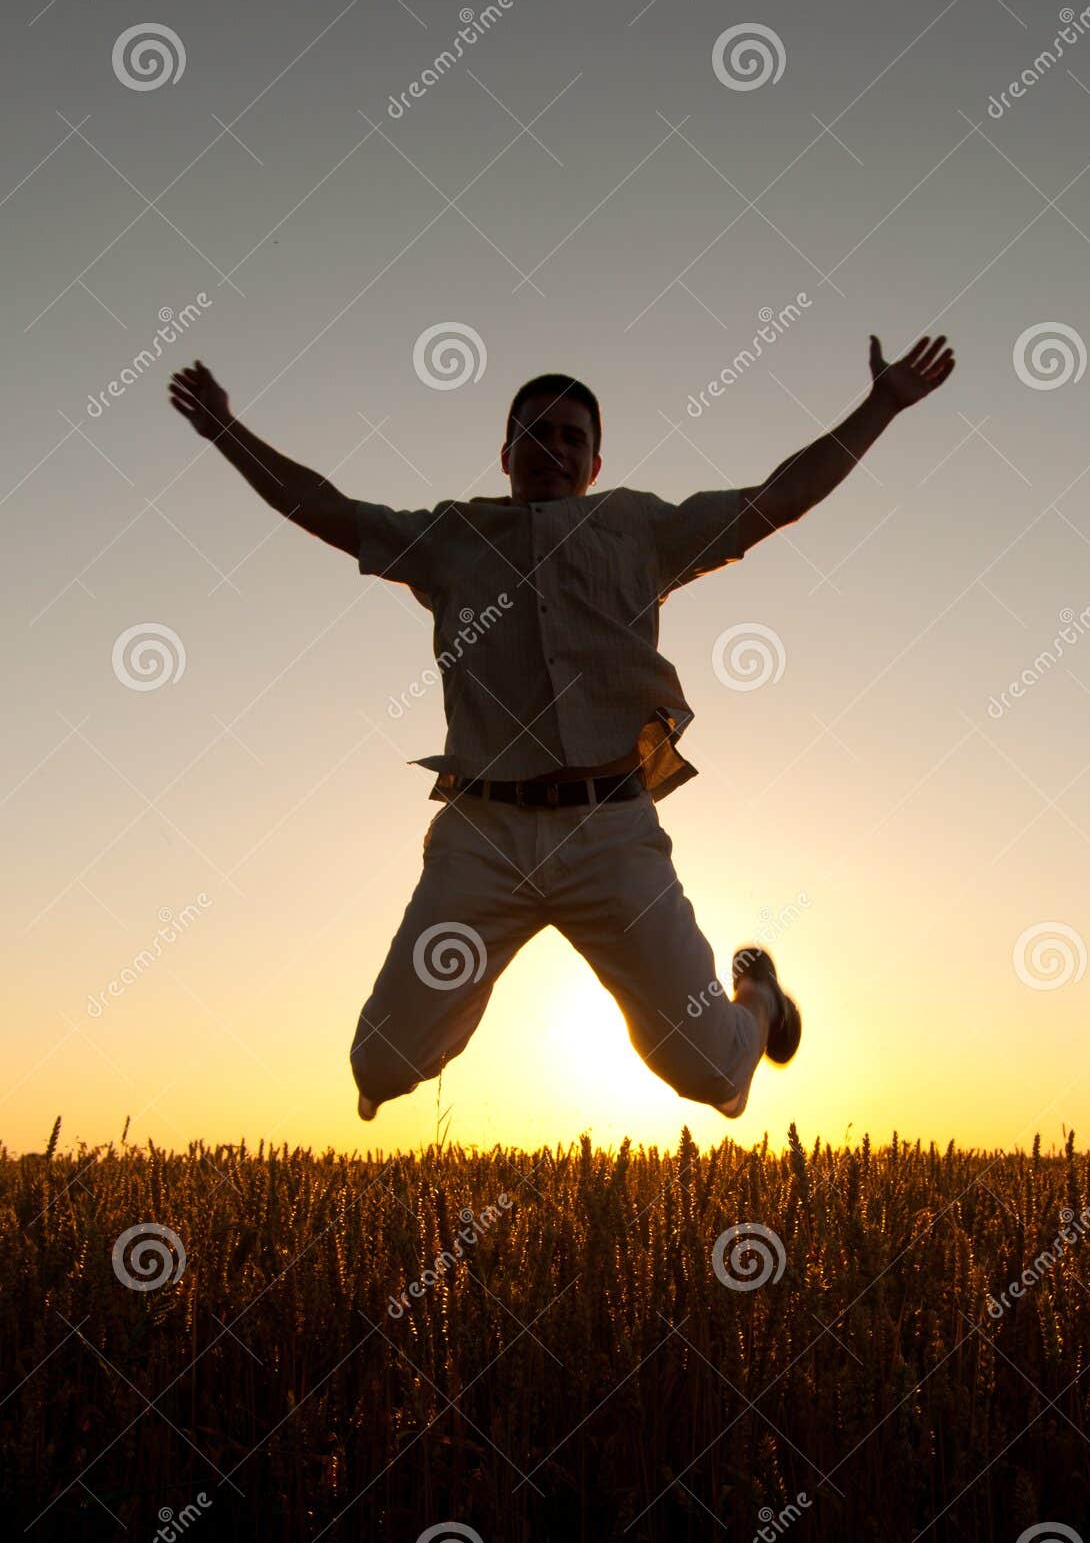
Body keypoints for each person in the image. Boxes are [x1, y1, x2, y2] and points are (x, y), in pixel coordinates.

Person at [168, 334, 954, 1122]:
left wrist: (881, 405)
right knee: (380, 1064)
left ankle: (759, 1002)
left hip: (608, 832)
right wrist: (226, 431)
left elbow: (774, 500)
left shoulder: (640, 529)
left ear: (594, 464)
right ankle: (412, 1046)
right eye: (534, 433)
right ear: (505, 454)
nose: (552, 448)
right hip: (484, 836)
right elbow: (324, 508)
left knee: (716, 1078)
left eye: (571, 437)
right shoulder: (451, 539)